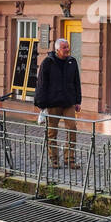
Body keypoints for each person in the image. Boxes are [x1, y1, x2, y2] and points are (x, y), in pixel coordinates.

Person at [34, 38, 82, 168]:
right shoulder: (48, 63)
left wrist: (78, 101)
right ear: (57, 50)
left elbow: (76, 82)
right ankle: (54, 159)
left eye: (68, 47)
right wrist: (41, 104)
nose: (67, 50)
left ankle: (69, 159)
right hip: (52, 103)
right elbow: (41, 84)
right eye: (64, 47)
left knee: (72, 129)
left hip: (68, 102)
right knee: (52, 132)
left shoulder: (72, 61)